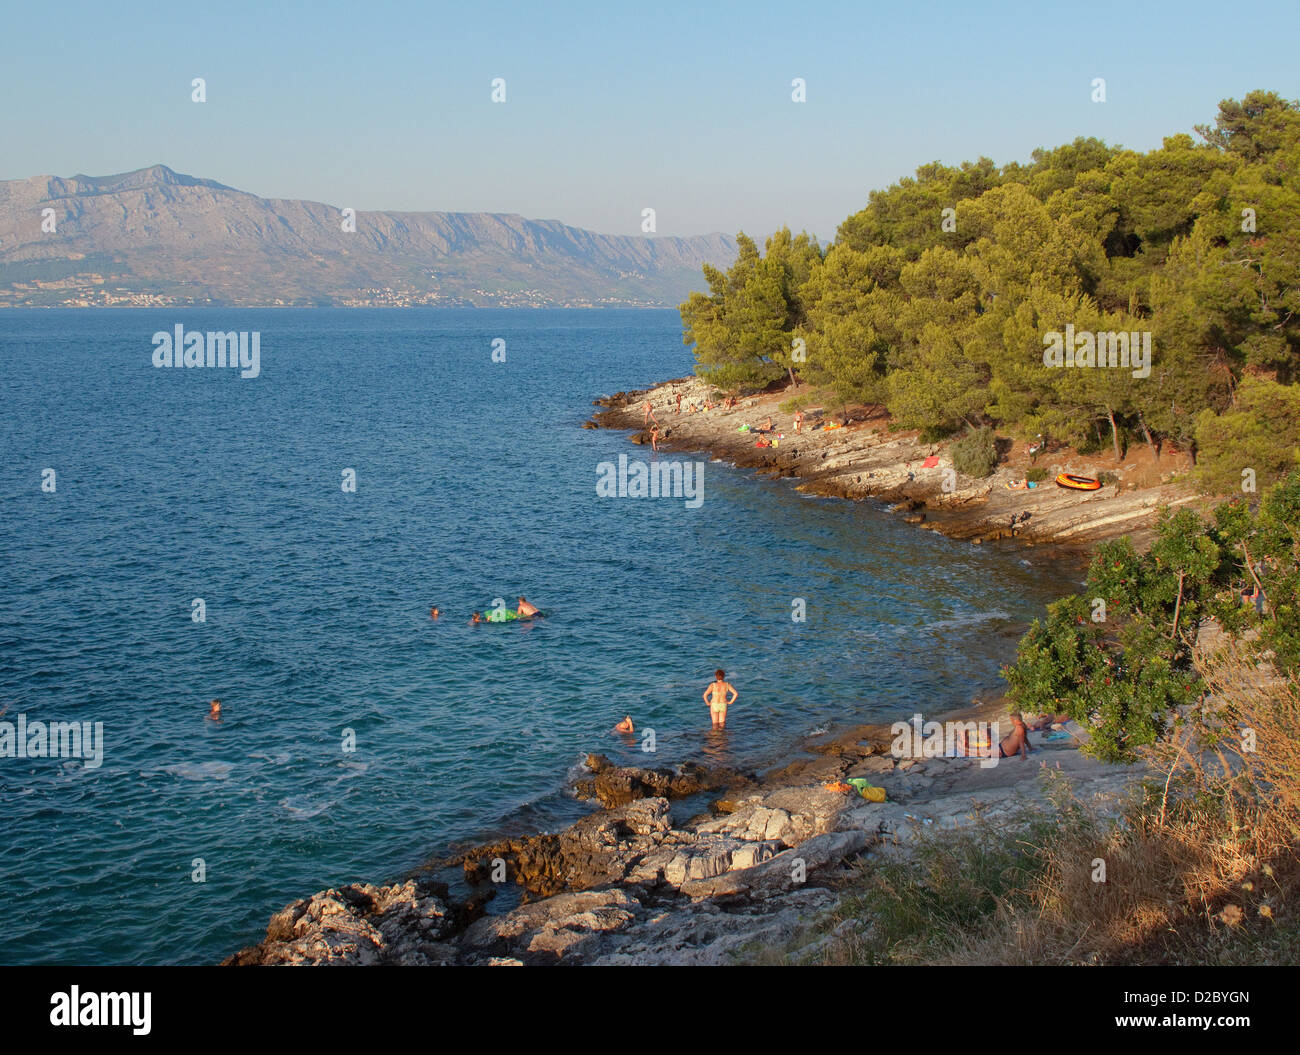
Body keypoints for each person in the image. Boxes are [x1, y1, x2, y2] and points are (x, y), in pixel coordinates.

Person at [962, 712, 1031, 759]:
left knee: (980, 753)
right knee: (984, 749)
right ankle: (967, 745)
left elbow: (1021, 742)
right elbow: (1025, 738)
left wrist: (1023, 755)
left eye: (1011, 720)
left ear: (1013, 720)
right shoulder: (1022, 725)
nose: (1011, 722)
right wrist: (1030, 747)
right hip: (1001, 748)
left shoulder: (1019, 728)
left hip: (1002, 751)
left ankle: (965, 748)